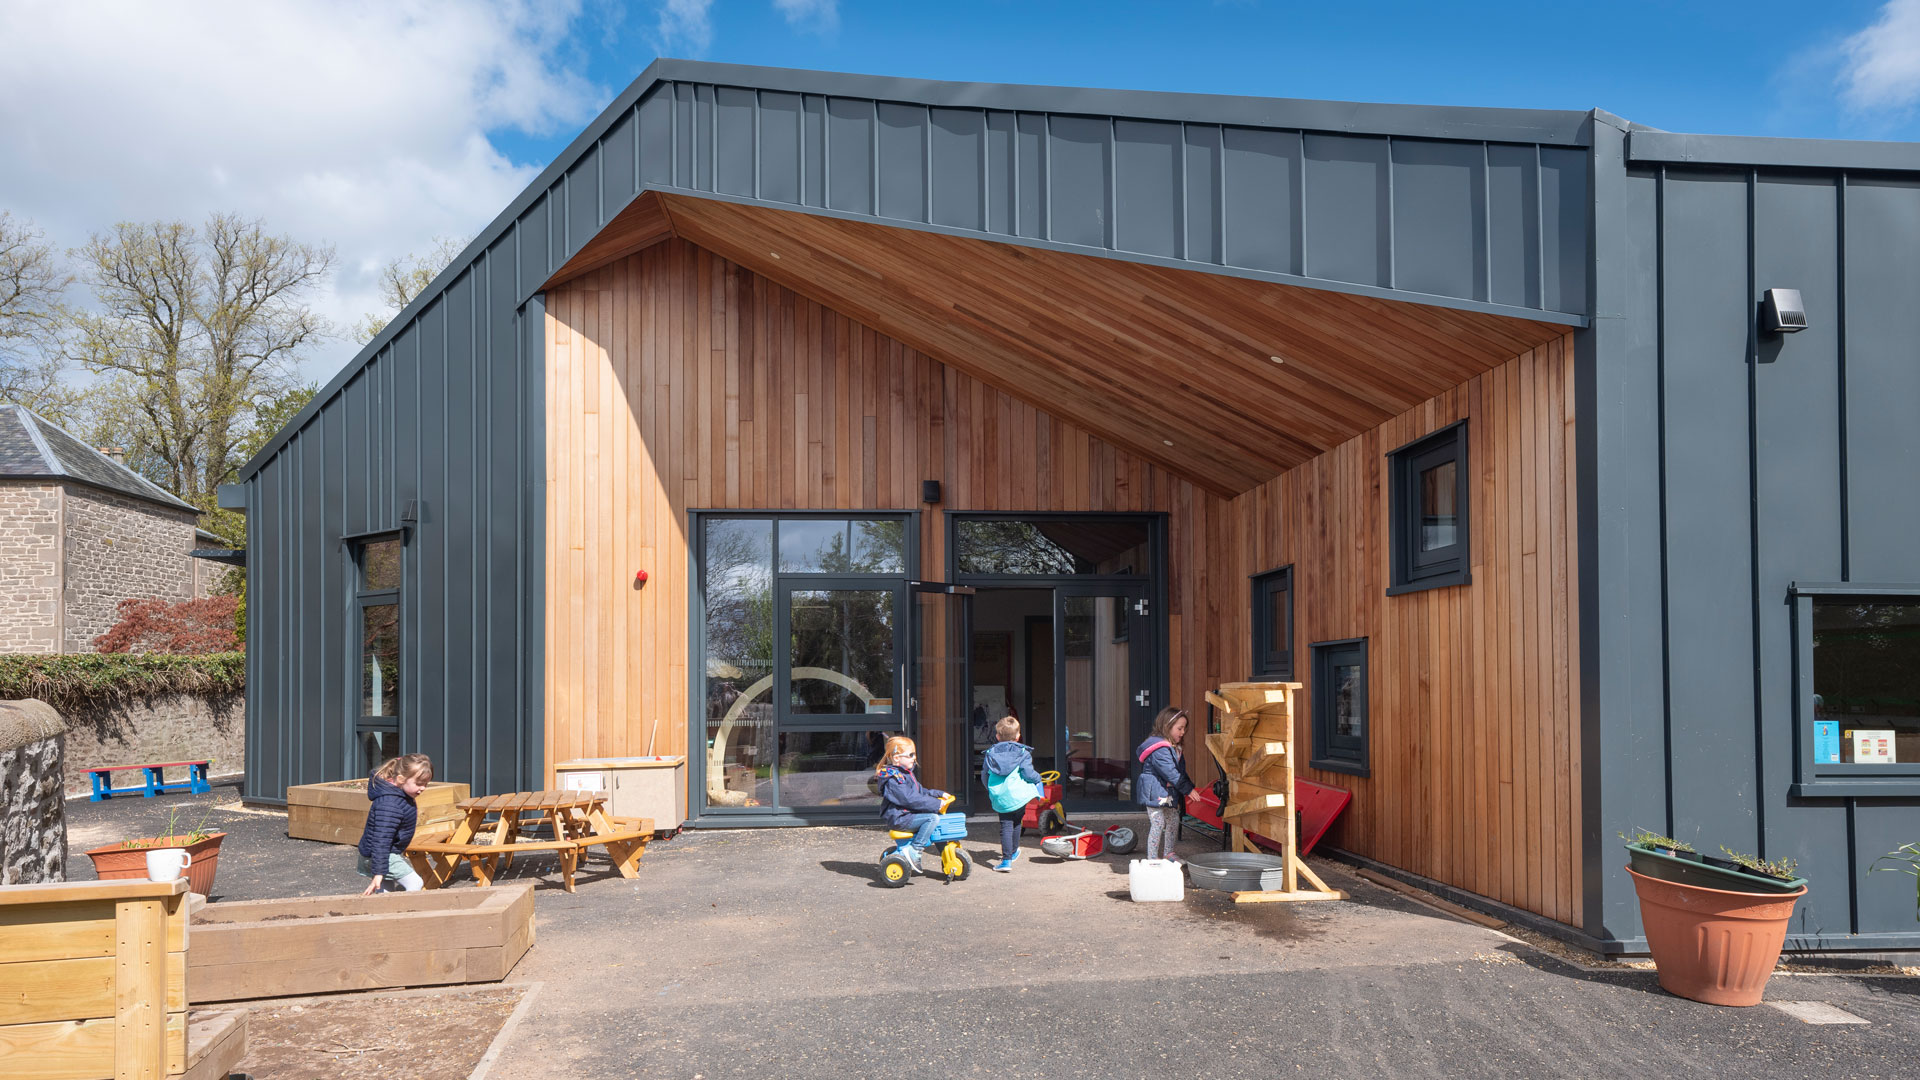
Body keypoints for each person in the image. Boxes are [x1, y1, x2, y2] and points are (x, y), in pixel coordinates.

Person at [358, 753, 433, 895]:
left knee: (386, 890)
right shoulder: (390, 804)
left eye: (426, 784)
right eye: (418, 783)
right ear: (400, 779)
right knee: (415, 882)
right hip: (378, 854)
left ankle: (385, 915)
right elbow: (381, 839)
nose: (423, 788)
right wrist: (379, 871)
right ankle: (406, 912)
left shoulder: (401, 795)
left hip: (381, 853)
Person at [874, 735, 949, 874]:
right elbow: (910, 799)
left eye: (914, 754)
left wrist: (938, 794)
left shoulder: (905, 774)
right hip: (900, 818)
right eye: (910, 755)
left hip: (906, 815)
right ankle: (915, 849)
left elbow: (920, 792)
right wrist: (936, 804)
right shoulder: (894, 779)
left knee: (935, 819)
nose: (914, 758)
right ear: (896, 758)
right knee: (932, 818)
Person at [981, 715, 1045, 872]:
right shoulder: (1022, 753)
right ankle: (1013, 851)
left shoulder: (990, 754)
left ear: (997, 736)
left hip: (1001, 797)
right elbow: (1029, 774)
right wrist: (1038, 779)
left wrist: (989, 789)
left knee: (1006, 825)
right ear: (1018, 736)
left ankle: (1006, 860)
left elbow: (984, 775)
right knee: (1017, 822)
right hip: (1018, 797)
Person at [1135, 707, 1196, 863]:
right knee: (1158, 822)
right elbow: (1171, 772)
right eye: (1179, 728)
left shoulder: (1176, 748)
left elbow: (1180, 772)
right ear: (1167, 726)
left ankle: (1169, 853)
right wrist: (1188, 789)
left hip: (1167, 791)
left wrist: (1190, 786)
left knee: (1173, 820)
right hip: (1155, 790)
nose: (1182, 732)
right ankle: (1152, 859)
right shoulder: (1160, 749)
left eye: (1184, 728)